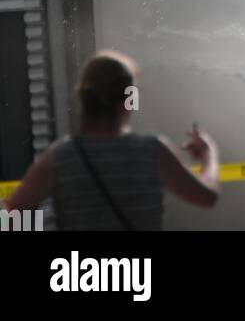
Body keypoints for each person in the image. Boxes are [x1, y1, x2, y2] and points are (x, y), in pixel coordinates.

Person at [3, 49, 220, 230]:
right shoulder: (153, 152)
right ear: (129, 99)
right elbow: (206, 197)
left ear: (83, 98)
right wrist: (208, 155)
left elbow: (11, 217)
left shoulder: (60, 158)